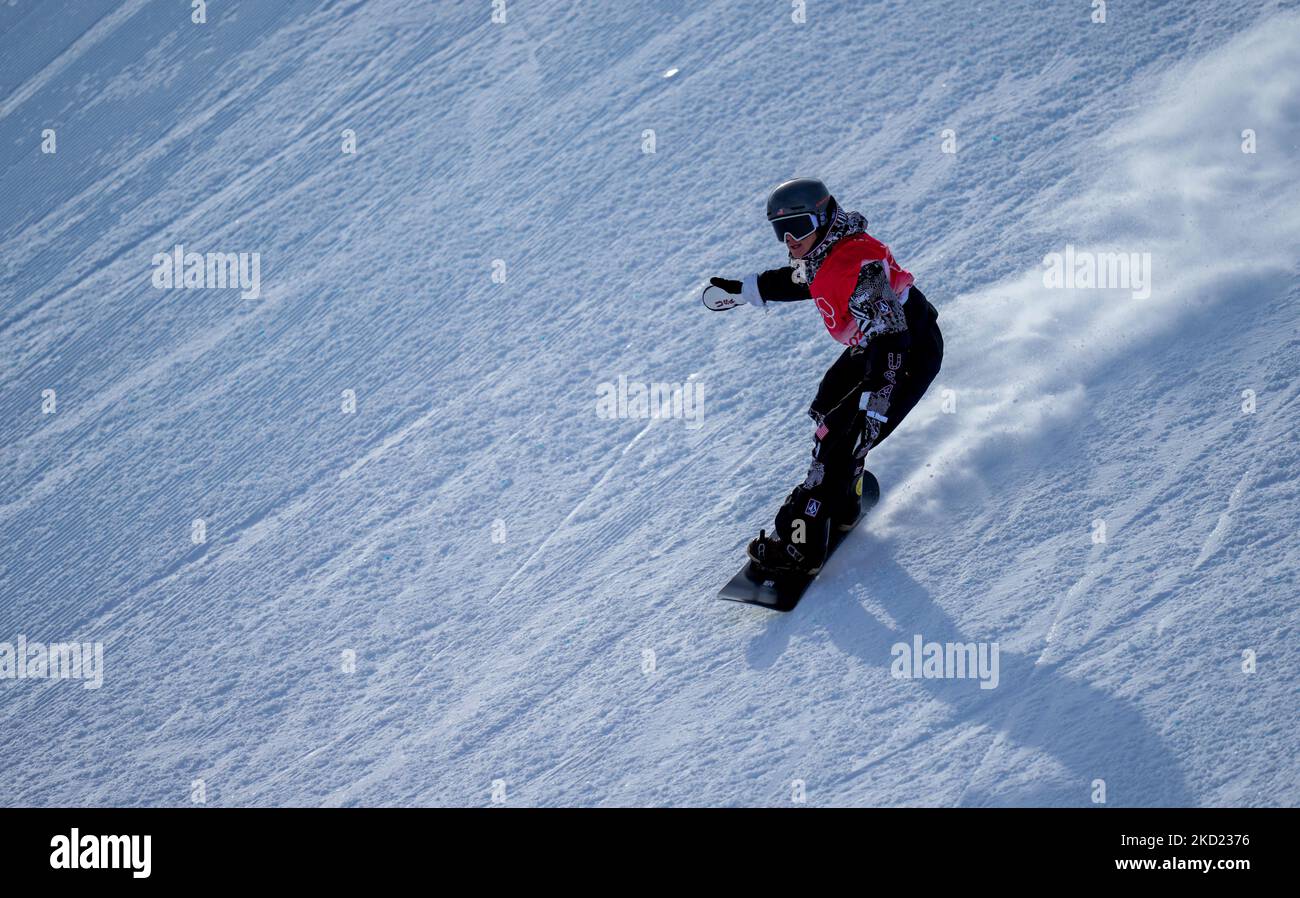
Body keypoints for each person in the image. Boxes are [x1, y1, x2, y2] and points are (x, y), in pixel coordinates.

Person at [709, 178, 944, 575]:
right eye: (779, 230)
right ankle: (846, 498)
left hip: (906, 352)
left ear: (822, 218)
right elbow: (803, 282)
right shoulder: (823, 250)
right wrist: (745, 290)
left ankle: (801, 547)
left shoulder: (860, 267)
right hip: (874, 346)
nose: (788, 239)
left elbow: (893, 338)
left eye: (797, 227)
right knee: (827, 404)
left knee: (839, 438)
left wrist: (875, 402)